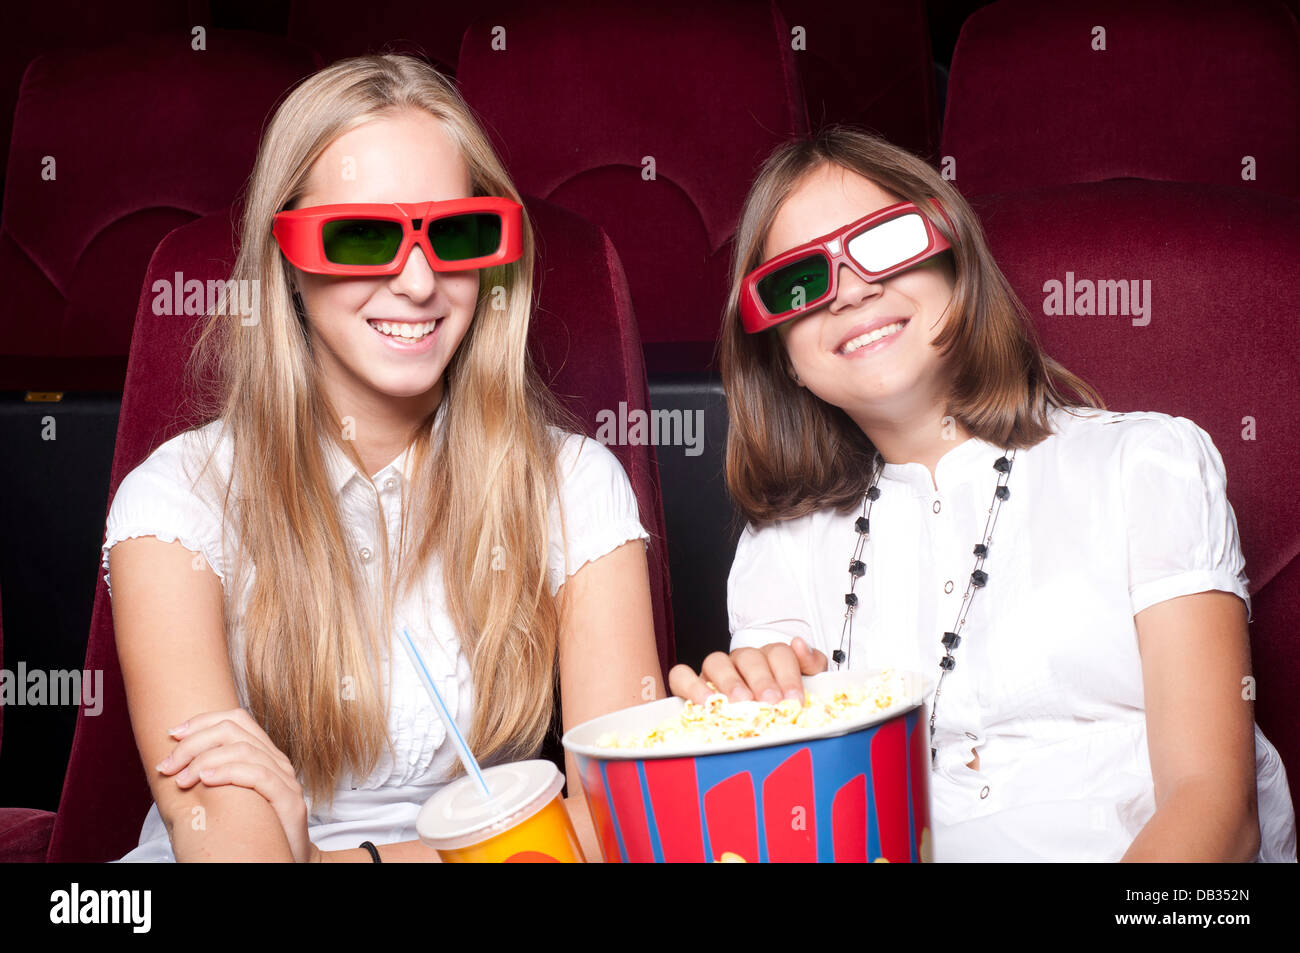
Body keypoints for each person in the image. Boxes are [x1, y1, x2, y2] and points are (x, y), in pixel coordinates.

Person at [668, 125, 1296, 862]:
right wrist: (741, 736)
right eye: (798, 282)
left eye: (885, 241)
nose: (851, 289)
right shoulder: (780, 551)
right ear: (787, 360)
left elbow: (1217, 810)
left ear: (954, 261)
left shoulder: (1146, 465)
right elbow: (798, 831)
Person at [103, 54, 662, 862]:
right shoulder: (177, 502)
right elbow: (231, 850)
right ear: (286, 259)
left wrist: (327, 858)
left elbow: (619, 826)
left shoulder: (574, 485)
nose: (419, 280)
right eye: (363, 236)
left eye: (459, 233)